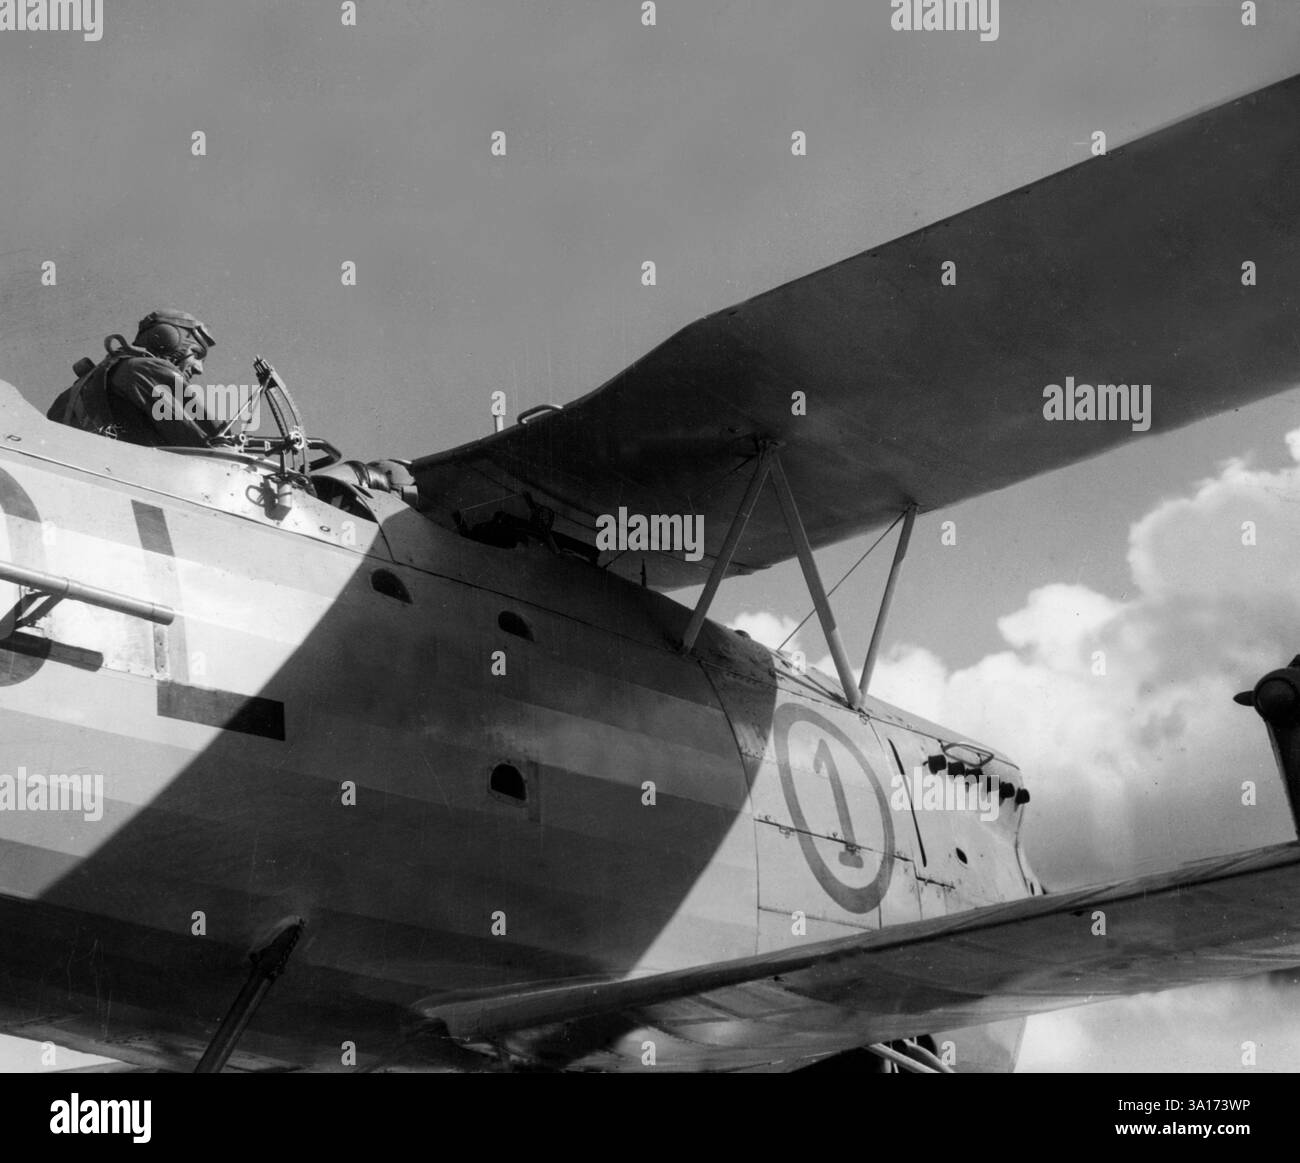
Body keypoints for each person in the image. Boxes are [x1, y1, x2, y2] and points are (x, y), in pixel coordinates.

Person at [48, 310, 223, 448]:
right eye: (196, 355)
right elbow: (206, 435)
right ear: (168, 338)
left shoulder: (70, 394)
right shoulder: (144, 368)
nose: (199, 368)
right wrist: (229, 442)